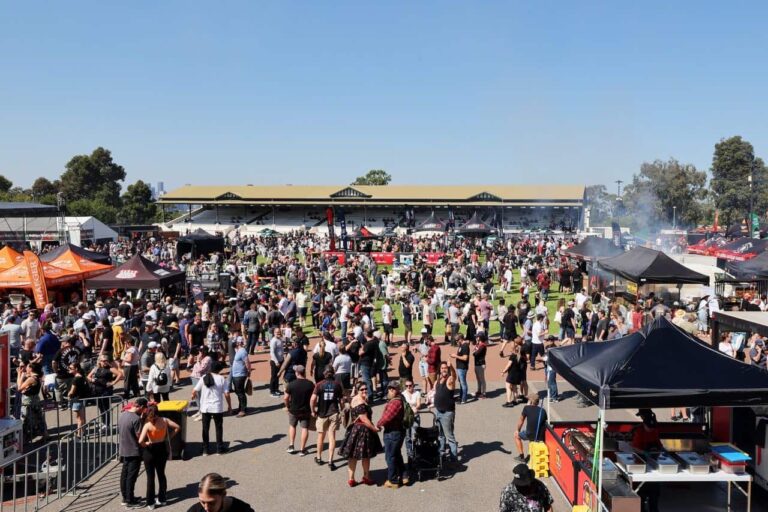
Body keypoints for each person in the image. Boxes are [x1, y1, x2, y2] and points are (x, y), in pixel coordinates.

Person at [338, 382, 382, 487]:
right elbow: (364, 419)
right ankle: (366, 477)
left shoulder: (356, 399)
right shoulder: (360, 401)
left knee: (353, 455)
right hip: (363, 430)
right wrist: (374, 429)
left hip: (354, 429)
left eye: (366, 389)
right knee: (365, 455)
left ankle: (351, 479)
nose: (365, 391)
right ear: (358, 390)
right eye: (362, 389)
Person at [138, 404, 180, 509]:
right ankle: (162, 498)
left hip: (150, 450)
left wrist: (146, 444)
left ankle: (150, 502)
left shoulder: (147, 425)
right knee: (161, 474)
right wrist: (168, 437)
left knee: (150, 477)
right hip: (161, 448)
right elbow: (177, 427)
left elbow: (140, 441)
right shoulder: (165, 421)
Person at [191, 362, 232, 456]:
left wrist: (193, 396)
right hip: (217, 408)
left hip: (205, 408)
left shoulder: (204, 377)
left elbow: (194, 390)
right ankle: (219, 449)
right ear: (219, 370)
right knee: (218, 428)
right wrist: (229, 406)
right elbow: (227, 394)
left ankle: (205, 450)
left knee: (205, 428)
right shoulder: (221, 378)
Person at [311, 365, 344, 469]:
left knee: (321, 436)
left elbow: (313, 399)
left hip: (322, 413)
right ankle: (330, 460)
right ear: (333, 373)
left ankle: (319, 457)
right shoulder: (337, 385)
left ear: (324, 374)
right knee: (332, 437)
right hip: (334, 412)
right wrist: (342, 409)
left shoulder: (319, 385)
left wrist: (313, 410)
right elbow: (341, 400)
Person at [377, 381, 408, 488]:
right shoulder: (400, 399)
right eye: (389, 388)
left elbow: (387, 417)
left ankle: (393, 480)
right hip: (398, 432)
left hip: (393, 433)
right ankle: (404, 476)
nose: (390, 391)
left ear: (398, 390)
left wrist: (378, 424)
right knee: (397, 455)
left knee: (390, 457)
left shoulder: (395, 402)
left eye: (393, 389)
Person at [118, 397, 148, 508]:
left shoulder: (123, 415)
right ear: (140, 407)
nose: (145, 411)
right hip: (134, 451)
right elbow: (139, 437)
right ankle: (130, 501)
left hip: (124, 450)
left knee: (124, 474)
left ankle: (125, 497)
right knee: (132, 476)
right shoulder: (136, 419)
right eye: (144, 408)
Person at [632, 409, 662, 512]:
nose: (650, 430)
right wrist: (644, 453)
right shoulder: (639, 431)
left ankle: (654, 509)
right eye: (649, 428)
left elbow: (658, 443)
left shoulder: (654, 429)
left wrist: (660, 450)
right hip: (641, 460)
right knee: (642, 489)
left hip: (654, 460)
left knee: (654, 489)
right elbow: (635, 447)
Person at [284, 364, 314, 456]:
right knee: (304, 428)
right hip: (305, 410)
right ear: (304, 373)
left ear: (297, 373)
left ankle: (291, 445)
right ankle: (302, 449)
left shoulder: (291, 384)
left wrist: (287, 406)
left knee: (292, 426)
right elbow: (314, 397)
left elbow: (285, 398)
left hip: (293, 409)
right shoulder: (310, 384)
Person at [186, 473, 254, 512]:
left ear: (223, 494)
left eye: (211, 503)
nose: (206, 508)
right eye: (202, 502)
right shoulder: (194, 511)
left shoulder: (242, 509)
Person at [433, 361, 459, 464]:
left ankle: (453, 460)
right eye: (442, 368)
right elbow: (435, 392)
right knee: (440, 435)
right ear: (440, 369)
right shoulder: (438, 380)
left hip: (447, 413)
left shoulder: (450, 379)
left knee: (450, 437)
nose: (444, 369)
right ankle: (442, 454)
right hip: (438, 411)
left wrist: (451, 366)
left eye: (445, 368)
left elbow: (454, 376)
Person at [88, 355, 121, 432]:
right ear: (99, 361)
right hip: (97, 390)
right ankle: (104, 423)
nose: (105, 362)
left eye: (106, 360)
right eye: (103, 360)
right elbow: (88, 376)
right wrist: (92, 380)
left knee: (106, 408)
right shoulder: (96, 368)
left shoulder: (110, 368)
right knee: (101, 408)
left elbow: (120, 374)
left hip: (106, 390)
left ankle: (107, 424)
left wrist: (113, 383)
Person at [16, 361, 48, 443]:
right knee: (39, 418)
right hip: (35, 401)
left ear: (31, 368)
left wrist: (20, 375)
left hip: (28, 403)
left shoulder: (31, 379)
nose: (26, 368)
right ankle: (45, 435)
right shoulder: (37, 377)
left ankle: (24, 439)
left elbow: (19, 388)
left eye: (27, 367)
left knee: (25, 420)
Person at [514, 394, 547, 462]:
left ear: (530, 401)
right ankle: (529, 456)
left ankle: (521, 456)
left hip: (530, 434)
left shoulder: (526, 408)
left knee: (516, 435)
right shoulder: (543, 410)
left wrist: (518, 430)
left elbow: (521, 420)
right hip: (540, 435)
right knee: (532, 436)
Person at [230, 338, 251, 417]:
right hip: (236, 375)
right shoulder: (238, 350)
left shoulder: (242, 351)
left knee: (240, 392)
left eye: (235, 342)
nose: (233, 343)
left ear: (238, 343)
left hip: (240, 375)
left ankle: (243, 410)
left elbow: (247, 362)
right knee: (238, 392)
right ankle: (241, 407)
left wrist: (249, 371)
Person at [67, 363, 89, 436]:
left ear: (76, 369)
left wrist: (68, 395)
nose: (69, 369)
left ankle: (79, 434)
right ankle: (84, 431)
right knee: (82, 417)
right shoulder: (82, 377)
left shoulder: (75, 379)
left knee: (78, 418)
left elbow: (72, 391)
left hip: (76, 400)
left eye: (70, 368)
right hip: (82, 398)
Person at [450, 334, 470, 403]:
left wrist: (455, 356)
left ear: (461, 339)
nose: (456, 342)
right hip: (460, 367)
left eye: (457, 340)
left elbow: (465, 358)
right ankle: (461, 396)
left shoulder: (465, 346)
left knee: (463, 383)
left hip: (463, 367)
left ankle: (464, 399)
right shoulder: (461, 345)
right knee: (461, 383)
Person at [268, 328, 285, 396]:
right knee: (274, 376)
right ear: (274, 333)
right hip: (275, 362)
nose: (278, 333)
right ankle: (272, 391)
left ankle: (276, 389)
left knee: (278, 375)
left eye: (279, 332)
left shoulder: (280, 339)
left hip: (280, 360)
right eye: (277, 332)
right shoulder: (273, 341)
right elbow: (272, 352)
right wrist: (276, 362)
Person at [473, 331, 488, 399]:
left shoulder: (482, 346)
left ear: (480, 337)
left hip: (481, 364)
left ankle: (483, 393)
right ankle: (479, 390)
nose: (476, 337)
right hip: (477, 363)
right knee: (478, 378)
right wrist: (475, 349)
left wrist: (475, 351)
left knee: (482, 379)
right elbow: (474, 352)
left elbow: (476, 353)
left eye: (477, 336)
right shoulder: (478, 344)